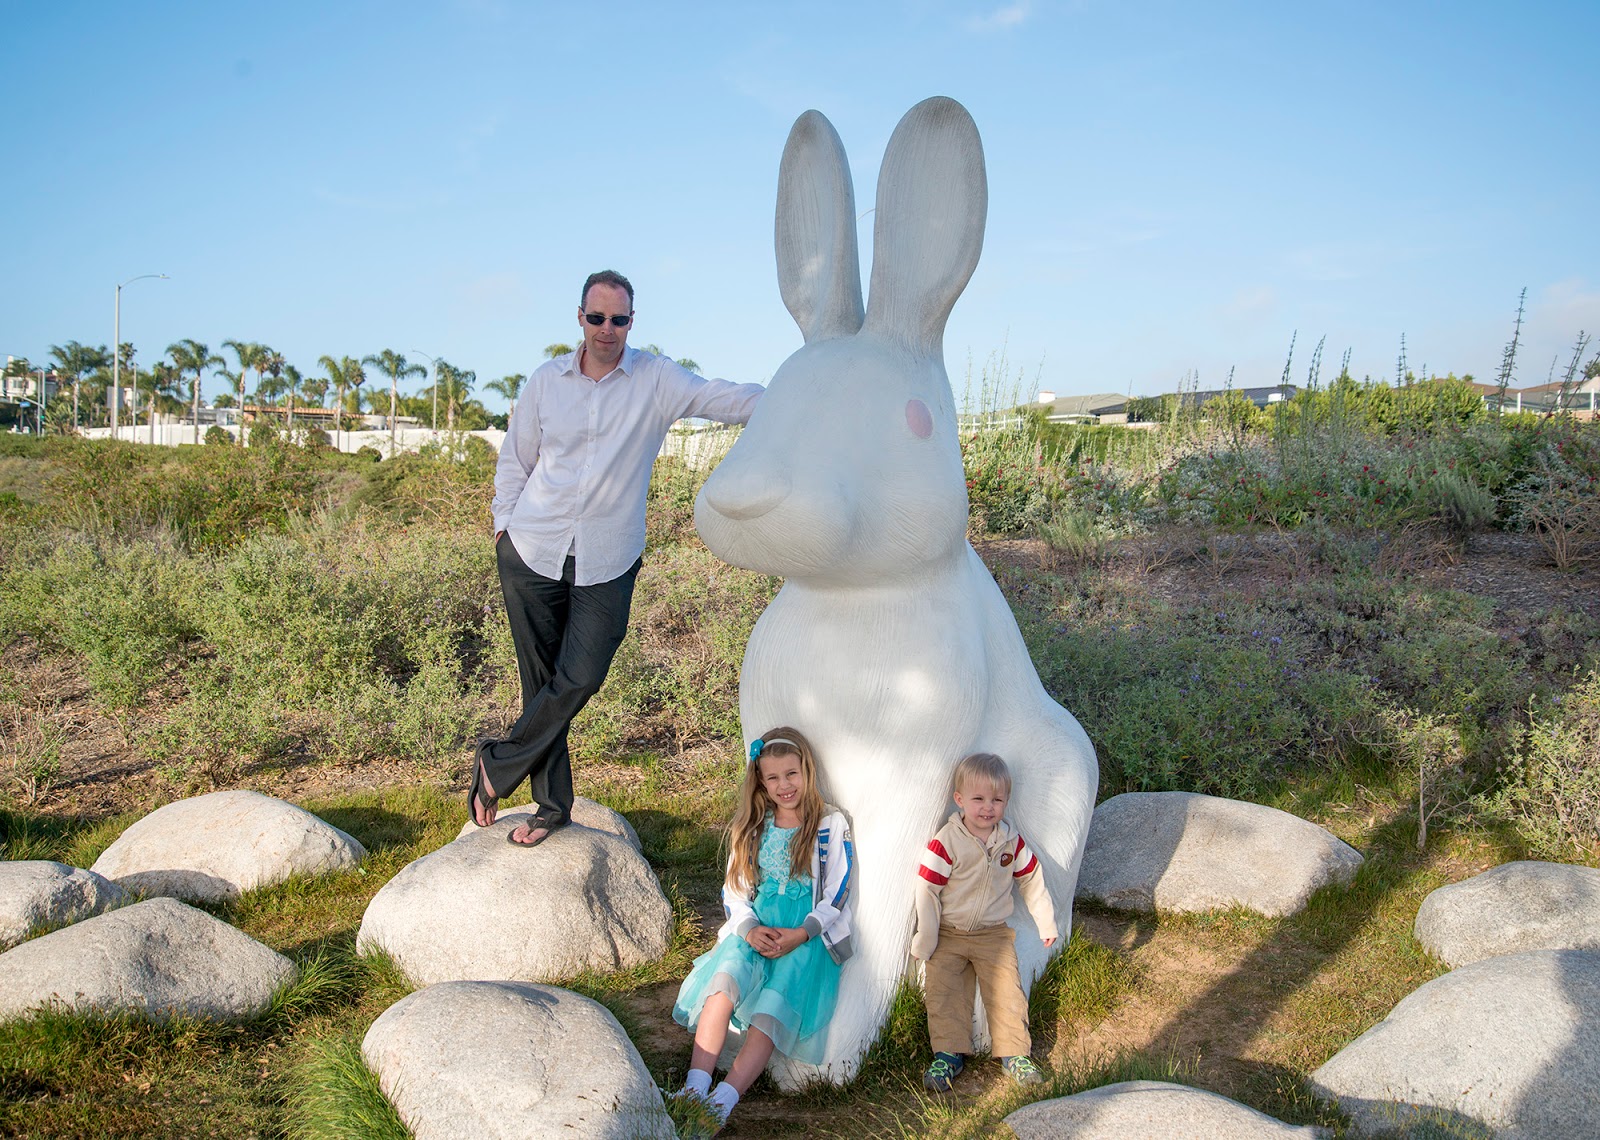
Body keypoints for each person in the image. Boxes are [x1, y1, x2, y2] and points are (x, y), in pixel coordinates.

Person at [473, 270, 764, 846]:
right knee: (541, 682)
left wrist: (805, 391)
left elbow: (723, 397)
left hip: (608, 557)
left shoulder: (656, 379)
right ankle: (551, 807)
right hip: (532, 549)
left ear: (633, 322)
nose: (608, 329)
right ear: (579, 317)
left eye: (620, 319)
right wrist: (503, 527)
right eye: (598, 317)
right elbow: (515, 460)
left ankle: (496, 763)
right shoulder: (545, 382)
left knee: (579, 675)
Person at [671, 728, 854, 1131]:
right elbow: (735, 889)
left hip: (803, 938)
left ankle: (724, 1099)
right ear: (760, 782)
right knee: (724, 981)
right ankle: (694, 1088)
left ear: (807, 771)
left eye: (792, 774)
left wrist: (803, 932)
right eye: (773, 778)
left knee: (771, 1010)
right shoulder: (754, 826)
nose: (784, 785)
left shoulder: (829, 824)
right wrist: (750, 927)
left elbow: (838, 890)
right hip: (758, 926)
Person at [911, 752, 1058, 1092]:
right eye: (978, 799)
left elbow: (1031, 878)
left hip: (992, 934)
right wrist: (926, 938)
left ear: (1006, 801)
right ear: (959, 800)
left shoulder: (1010, 842)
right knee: (944, 990)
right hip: (949, 932)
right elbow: (927, 889)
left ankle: (1015, 1053)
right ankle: (948, 1053)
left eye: (997, 799)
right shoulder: (946, 841)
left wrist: (1046, 922)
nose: (987, 808)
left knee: (1007, 989)